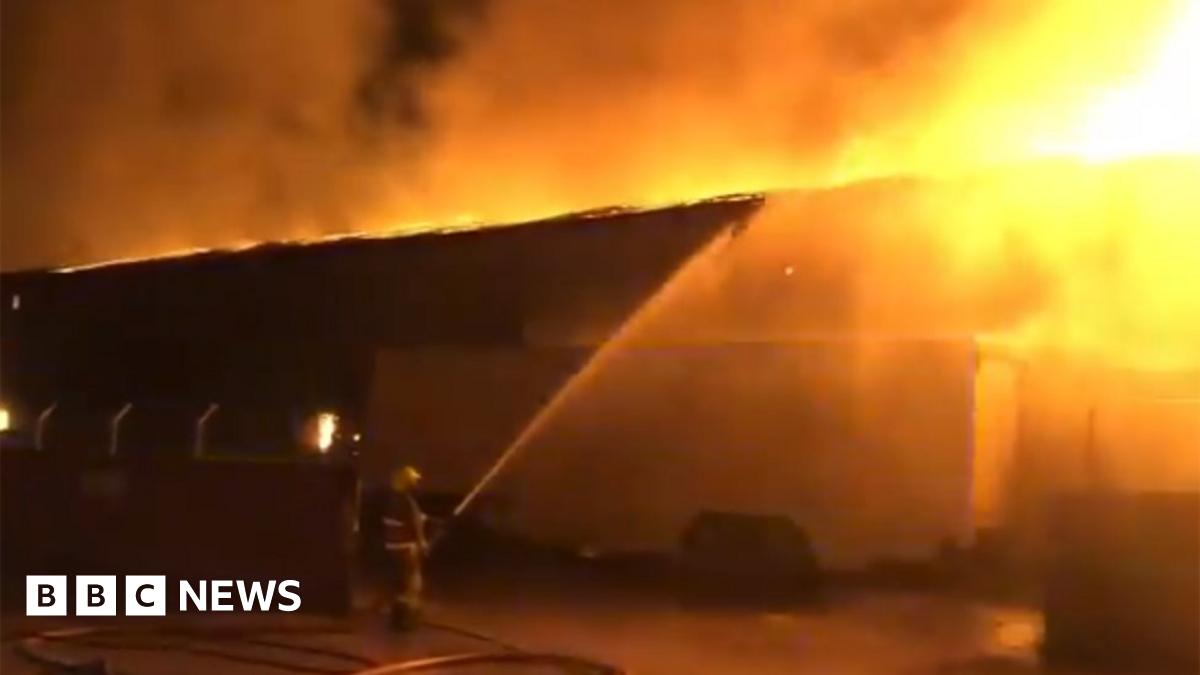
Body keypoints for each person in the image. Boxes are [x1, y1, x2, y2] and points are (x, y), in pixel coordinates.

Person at [382, 465, 428, 630]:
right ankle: (409, 616)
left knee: (398, 582)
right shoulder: (408, 502)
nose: (417, 484)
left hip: (391, 547)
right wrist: (422, 543)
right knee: (412, 581)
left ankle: (397, 615)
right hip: (407, 548)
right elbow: (415, 525)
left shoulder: (391, 501)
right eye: (414, 481)